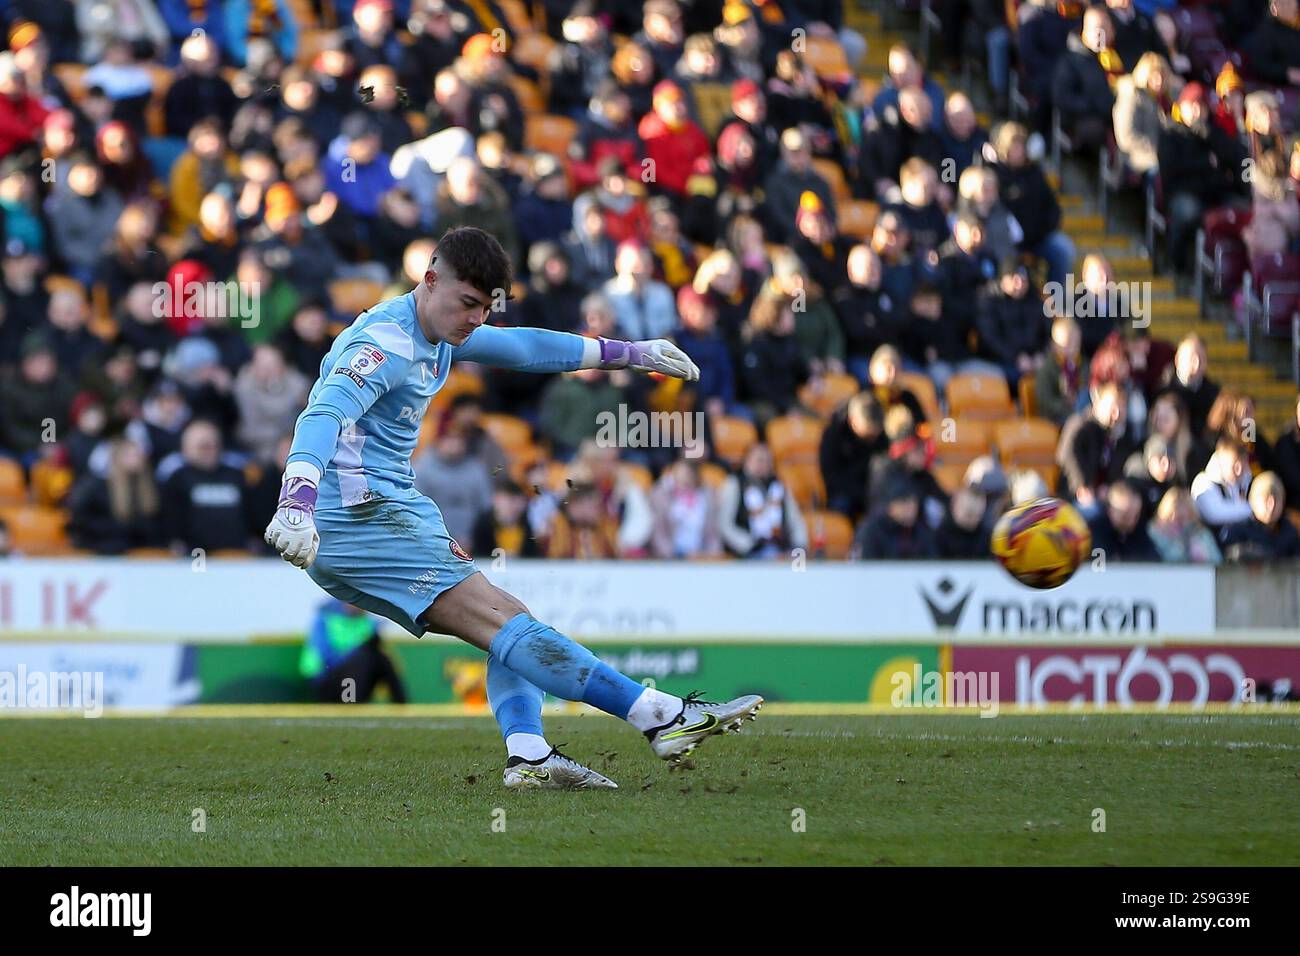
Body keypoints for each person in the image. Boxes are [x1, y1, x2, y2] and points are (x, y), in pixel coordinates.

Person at [264, 227, 761, 791]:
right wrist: (296, 501)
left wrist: (632, 353)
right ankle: (661, 716)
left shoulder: (439, 330)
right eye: (468, 304)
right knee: (504, 623)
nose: (477, 319)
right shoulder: (385, 343)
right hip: (357, 516)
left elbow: (525, 348)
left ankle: (529, 755)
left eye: (485, 307)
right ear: (429, 281)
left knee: (509, 622)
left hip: (382, 508)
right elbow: (322, 414)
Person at [300, 600, 408, 704]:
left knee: (381, 658)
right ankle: (350, 705)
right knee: (360, 659)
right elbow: (326, 659)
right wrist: (358, 649)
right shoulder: (324, 620)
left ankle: (401, 707)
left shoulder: (368, 623)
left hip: (358, 681)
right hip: (326, 680)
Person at [1219, 471, 1300, 560]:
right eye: (1266, 500)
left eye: (1277, 500)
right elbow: (1230, 556)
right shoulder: (1237, 531)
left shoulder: (1289, 531)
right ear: (1252, 501)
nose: (1272, 506)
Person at [1087, 478, 1161, 561]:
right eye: (1126, 515)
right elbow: (1098, 567)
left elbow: (1153, 561)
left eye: (1136, 515)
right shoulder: (1095, 532)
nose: (1132, 521)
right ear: (1110, 511)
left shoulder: (1138, 530)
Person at [1147, 487, 1221, 564]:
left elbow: (1218, 562)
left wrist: (1204, 557)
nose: (1176, 523)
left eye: (1183, 518)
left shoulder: (1202, 534)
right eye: (1171, 516)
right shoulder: (1153, 534)